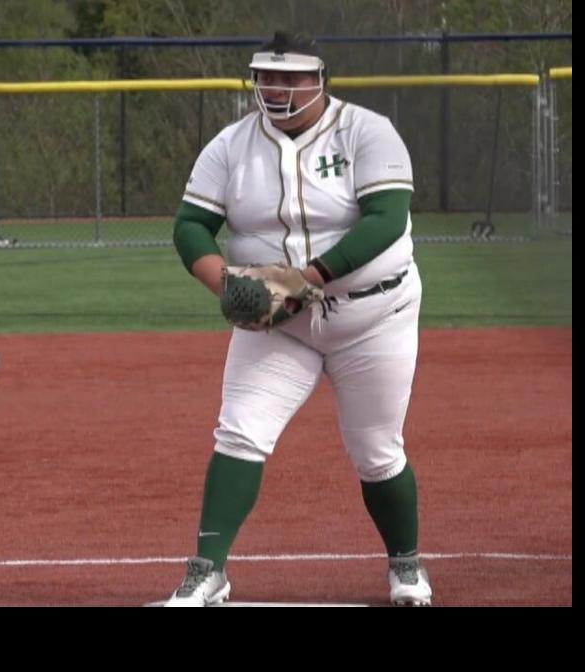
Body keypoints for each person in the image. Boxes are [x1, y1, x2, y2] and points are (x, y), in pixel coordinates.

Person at [163, 32, 432, 606]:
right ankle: (207, 570)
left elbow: (386, 217)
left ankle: (406, 566)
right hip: (278, 324)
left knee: (378, 450)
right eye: (266, 77)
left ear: (320, 79)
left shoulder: (367, 129)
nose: (277, 88)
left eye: (291, 78)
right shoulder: (231, 145)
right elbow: (190, 225)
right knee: (239, 432)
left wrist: (304, 279)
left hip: (373, 316)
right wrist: (229, 285)